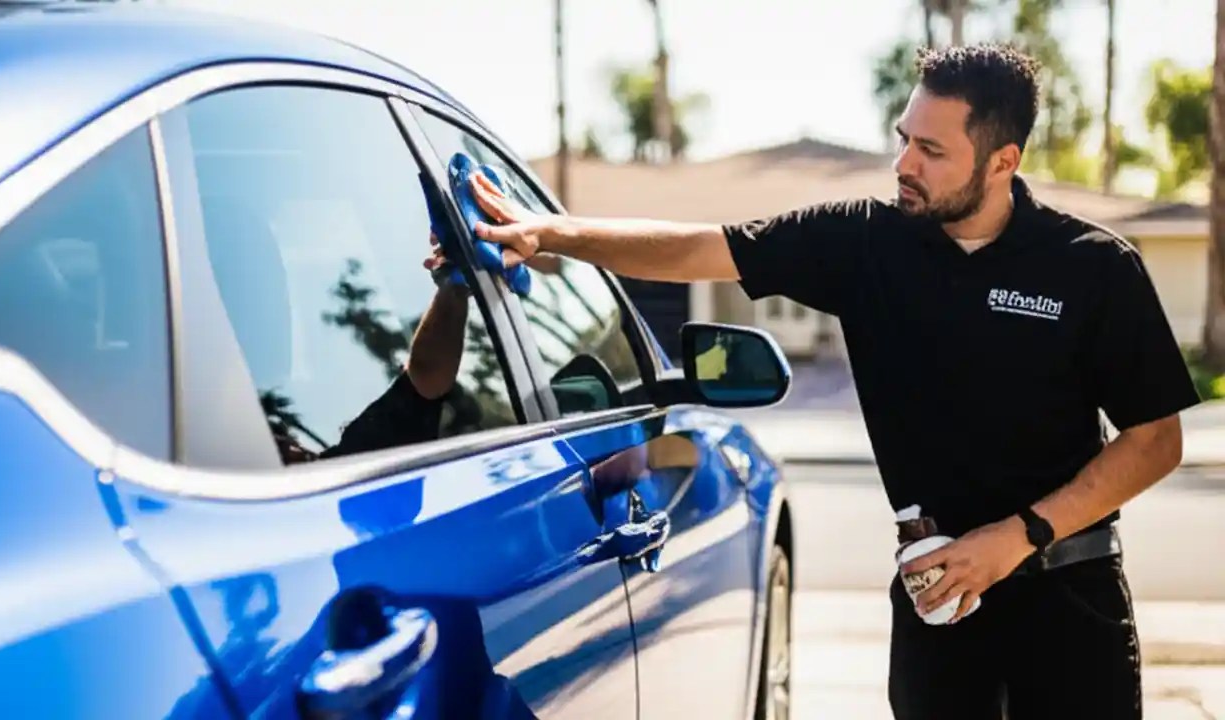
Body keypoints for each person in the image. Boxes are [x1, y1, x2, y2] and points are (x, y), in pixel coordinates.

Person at [456, 43, 1203, 719]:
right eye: (904, 139)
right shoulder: (865, 243)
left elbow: (1155, 441)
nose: (904, 164)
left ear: (1002, 161)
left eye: (932, 151)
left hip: (1070, 599)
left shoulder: (1093, 267)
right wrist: (549, 234)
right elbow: (697, 250)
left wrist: (1017, 537)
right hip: (934, 601)